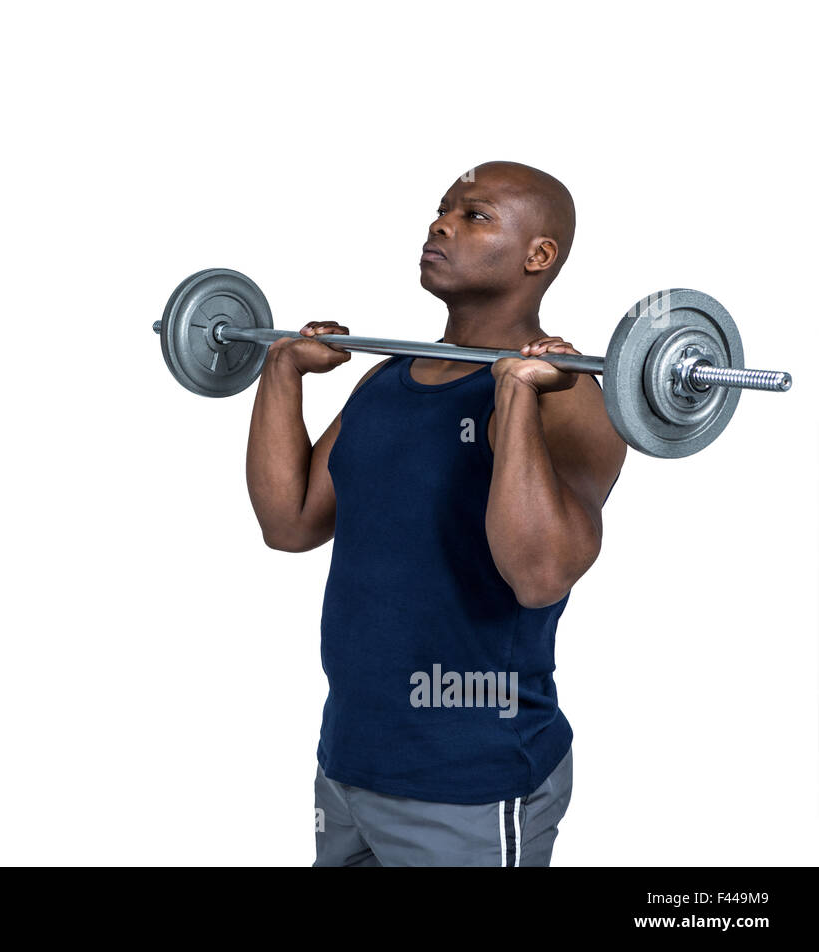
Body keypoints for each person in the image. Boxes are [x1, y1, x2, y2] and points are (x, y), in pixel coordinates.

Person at [245, 161, 626, 866]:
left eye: (475, 215)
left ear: (537, 256)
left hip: (471, 782)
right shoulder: (387, 380)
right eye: (443, 208)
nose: (440, 223)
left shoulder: (568, 396)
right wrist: (280, 374)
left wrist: (513, 395)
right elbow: (291, 523)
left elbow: (540, 573)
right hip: (349, 765)